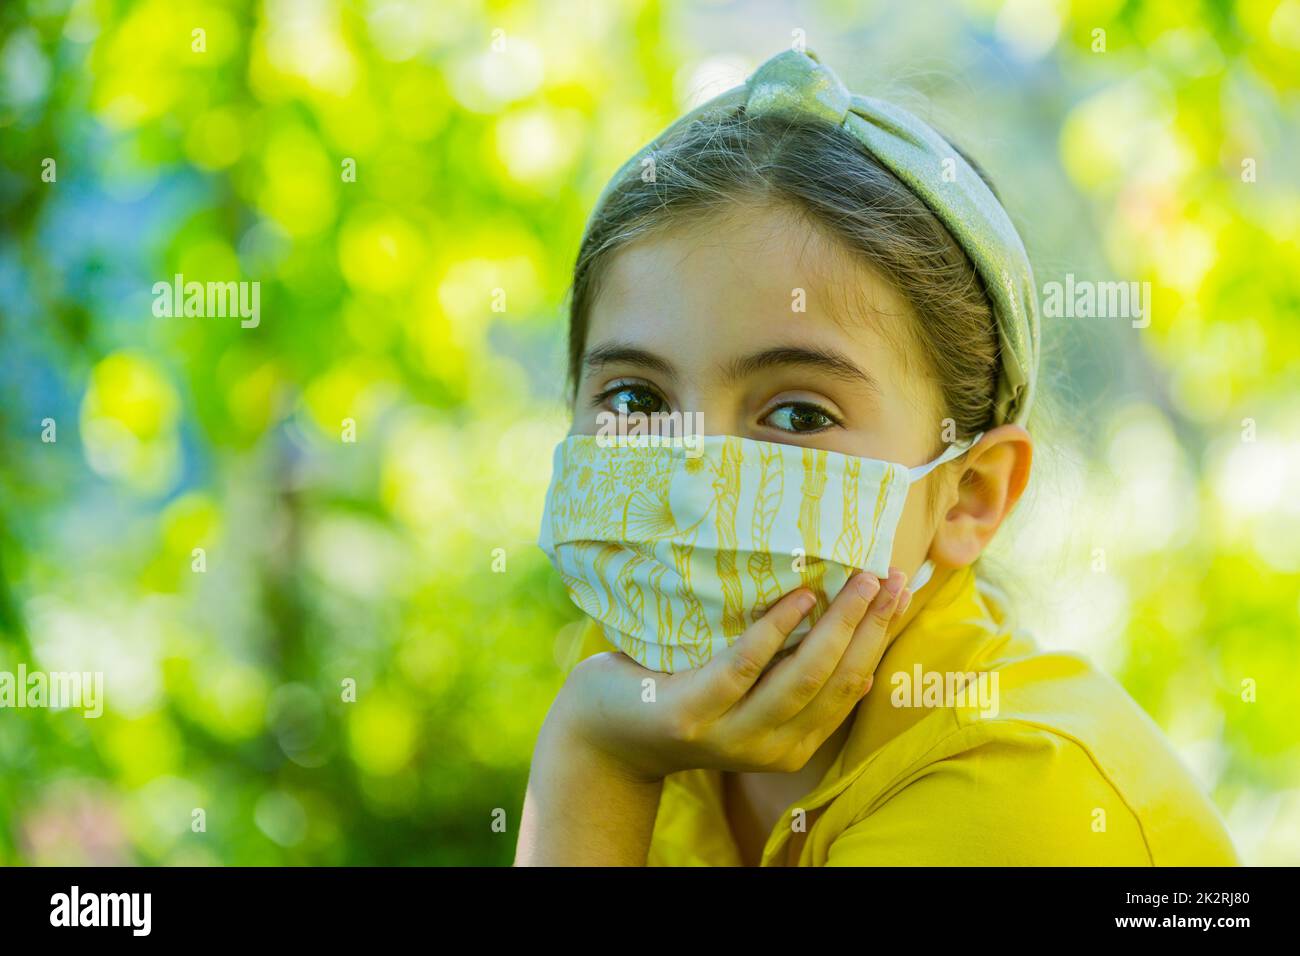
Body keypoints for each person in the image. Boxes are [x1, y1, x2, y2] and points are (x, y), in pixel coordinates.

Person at [514, 49, 1239, 867]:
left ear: (967, 496)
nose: (691, 487)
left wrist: (590, 765)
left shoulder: (1023, 801)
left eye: (796, 413)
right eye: (635, 400)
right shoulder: (646, 680)